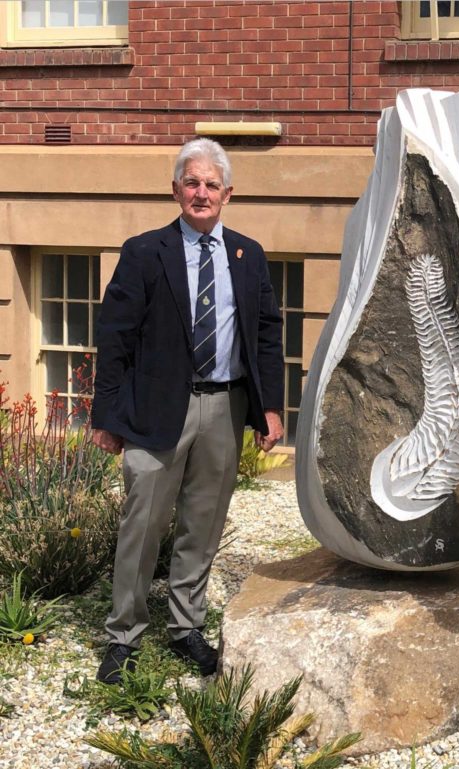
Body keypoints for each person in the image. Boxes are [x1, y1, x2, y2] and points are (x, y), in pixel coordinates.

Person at [91, 137, 284, 684]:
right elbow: (115, 337)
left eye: (211, 184)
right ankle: (124, 633)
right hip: (156, 412)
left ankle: (186, 627)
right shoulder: (144, 252)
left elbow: (266, 336)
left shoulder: (248, 255)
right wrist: (107, 416)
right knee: (142, 524)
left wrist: (270, 407)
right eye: (192, 182)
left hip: (225, 407)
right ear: (176, 190)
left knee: (202, 523)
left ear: (228, 194)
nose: (201, 192)